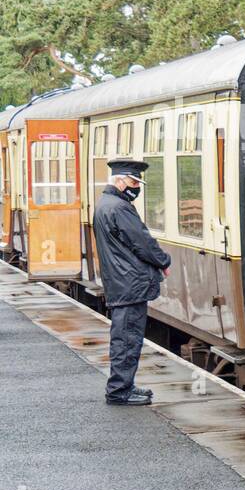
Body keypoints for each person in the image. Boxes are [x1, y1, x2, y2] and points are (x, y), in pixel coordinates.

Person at [92, 159, 171, 405]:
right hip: (129, 283)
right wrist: (163, 261)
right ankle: (119, 392)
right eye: (134, 181)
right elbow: (141, 241)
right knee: (127, 339)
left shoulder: (106, 204)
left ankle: (124, 385)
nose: (137, 187)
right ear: (120, 180)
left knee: (125, 337)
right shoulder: (119, 207)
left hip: (121, 281)